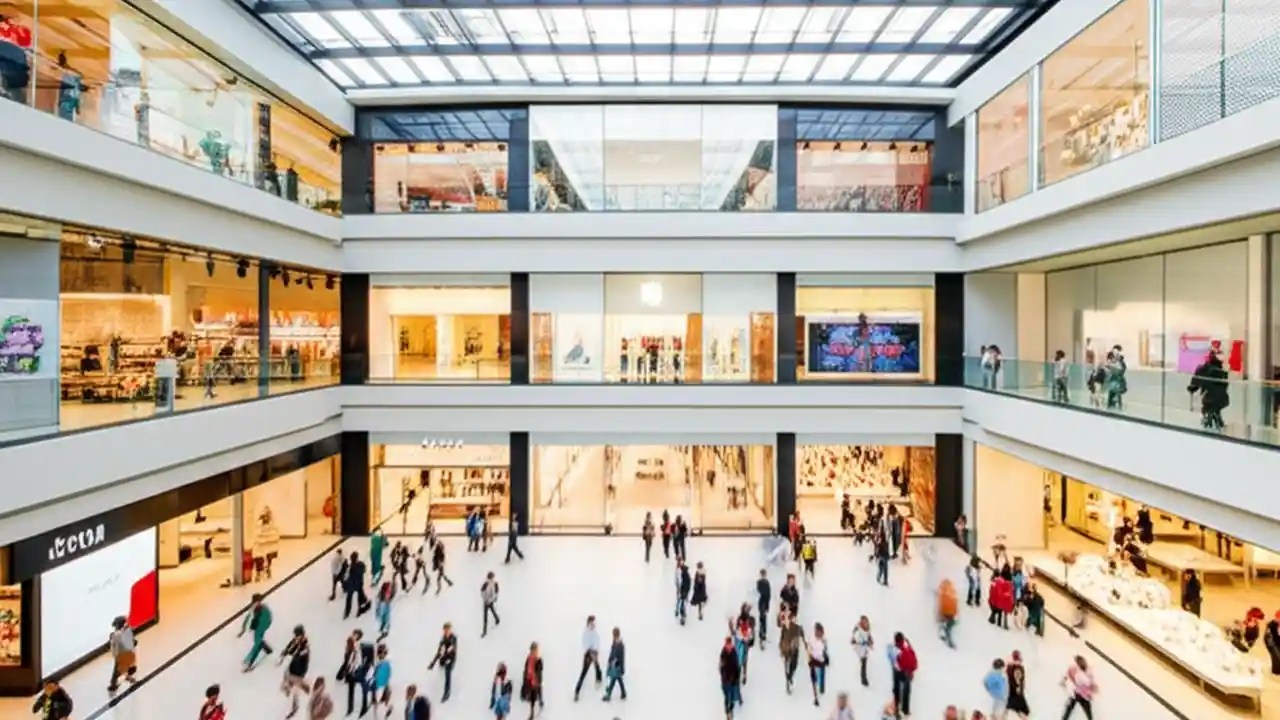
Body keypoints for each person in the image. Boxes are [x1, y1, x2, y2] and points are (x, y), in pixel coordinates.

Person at [1189, 351, 1229, 430]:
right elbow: (1224, 385)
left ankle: (1210, 419)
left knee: (1209, 408)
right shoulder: (1222, 371)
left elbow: (1195, 384)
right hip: (1222, 399)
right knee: (1214, 408)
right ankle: (1215, 420)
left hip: (1210, 398)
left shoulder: (1203, 369)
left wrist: (1192, 388)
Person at [279, 625, 312, 718]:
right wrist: (285, 651)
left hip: (300, 669)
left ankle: (295, 706)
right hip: (293, 666)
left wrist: (289, 652)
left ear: (302, 635)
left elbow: (298, 654)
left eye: (297, 635)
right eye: (295, 635)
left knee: (295, 689)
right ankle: (289, 687)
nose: (295, 637)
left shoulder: (305, 646)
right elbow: (289, 646)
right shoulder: (295, 640)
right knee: (286, 675)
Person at [338, 630, 371, 717]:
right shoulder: (350, 647)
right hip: (351, 672)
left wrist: (353, 669)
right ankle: (350, 708)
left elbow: (357, 661)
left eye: (355, 635)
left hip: (356, 671)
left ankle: (362, 707)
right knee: (351, 690)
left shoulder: (357, 648)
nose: (353, 636)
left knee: (362, 687)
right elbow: (347, 660)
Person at [239, 592, 274, 671]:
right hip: (260, 625)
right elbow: (249, 617)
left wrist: (245, 629)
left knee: (257, 644)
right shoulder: (258, 607)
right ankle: (266, 648)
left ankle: (249, 662)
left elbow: (251, 618)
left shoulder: (261, 608)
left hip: (261, 626)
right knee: (258, 641)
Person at [573, 615, 602, 701]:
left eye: (594, 622)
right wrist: (590, 651)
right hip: (589, 654)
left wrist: (596, 652)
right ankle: (577, 692)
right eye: (592, 622)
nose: (593, 624)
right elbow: (585, 644)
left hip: (594, 653)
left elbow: (597, 642)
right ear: (588, 623)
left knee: (598, 668)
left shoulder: (595, 632)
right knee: (584, 673)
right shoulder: (586, 633)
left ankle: (598, 681)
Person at [887, 632, 916, 718]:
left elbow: (892, 659)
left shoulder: (896, 649)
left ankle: (897, 709)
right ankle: (905, 710)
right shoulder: (907, 644)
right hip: (908, 672)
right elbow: (913, 655)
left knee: (897, 690)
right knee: (906, 691)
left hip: (899, 671)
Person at [428, 622, 458, 701]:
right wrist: (432, 663)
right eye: (445, 631)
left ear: (450, 630)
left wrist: (446, 652)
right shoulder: (443, 639)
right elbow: (439, 651)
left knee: (447, 671)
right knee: (441, 660)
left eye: (447, 630)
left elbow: (452, 648)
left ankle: (447, 692)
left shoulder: (453, 638)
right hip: (445, 657)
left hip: (451, 658)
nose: (446, 632)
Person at [107, 615, 137, 693]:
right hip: (128, 656)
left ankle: (113, 685)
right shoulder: (127, 632)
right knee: (126, 668)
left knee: (116, 673)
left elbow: (113, 646)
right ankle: (128, 677)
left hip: (121, 656)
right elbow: (134, 642)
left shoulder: (115, 635)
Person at [779, 607, 804, 694]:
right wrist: (781, 647)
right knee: (787, 665)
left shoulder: (798, 628)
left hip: (794, 649)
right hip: (787, 648)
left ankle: (790, 677)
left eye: (794, 618)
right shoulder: (785, 627)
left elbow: (802, 636)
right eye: (792, 618)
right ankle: (788, 680)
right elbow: (782, 637)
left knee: (794, 665)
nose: (793, 619)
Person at [730, 603, 756, 685]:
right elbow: (737, 629)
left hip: (746, 641)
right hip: (739, 640)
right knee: (738, 658)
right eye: (745, 609)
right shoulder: (740, 618)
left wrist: (751, 638)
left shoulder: (751, 619)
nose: (746, 610)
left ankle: (744, 674)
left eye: (747, 609)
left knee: (744, 658)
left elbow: (752, 630)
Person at [719, 635, 742, 718]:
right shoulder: (723, 654)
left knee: (732, 697)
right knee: (726, 697)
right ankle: (727, 712)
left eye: (730, 645)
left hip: (733, 680)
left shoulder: (734, 653)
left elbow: (737, 666)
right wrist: (725, 677)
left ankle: (730, 711)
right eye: (727, 645)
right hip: (725, 681)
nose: (728, 647)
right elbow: (721, 668)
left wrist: (736, 677)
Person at [344, 551, 371, 619]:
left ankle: (347, 613)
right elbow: (364, 570)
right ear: (357, 558)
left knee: (349, 598)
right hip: (359, 584)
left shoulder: (349, 567)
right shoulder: (360, 564)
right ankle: (360, 610)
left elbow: (345, 577)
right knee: (360, 597)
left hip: (351, 585)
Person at [520, 642, 544, 719]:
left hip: (535, 681)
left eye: (536, 650)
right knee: (532, 696)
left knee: (537, 691)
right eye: (535, 650)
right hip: (531, 680)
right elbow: (527, 670)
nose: (536, 651)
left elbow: (539, 671)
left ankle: (539, 703)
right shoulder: (530, 658)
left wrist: (538, 680)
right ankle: (532, 713)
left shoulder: (537, 659)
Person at [807, 622, 829, 706]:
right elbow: (809, 648)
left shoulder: (824, 640)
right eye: (817, 631)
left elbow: (824, 650)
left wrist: (825, 657)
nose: (818, 633)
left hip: (821, 661)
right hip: (813, 660)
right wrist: (810, 655)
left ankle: (820, 689)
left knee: (821, 678)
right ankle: (815, 697)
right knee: (814, 678)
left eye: (820, 632)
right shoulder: (811, 639)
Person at [603, 627, 627, 701]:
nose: (614, 636)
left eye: (615, 634)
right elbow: (612, 653)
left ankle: (609, 695)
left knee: (613, 680)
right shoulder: (614, 643)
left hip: (617, 666)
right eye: (613, 634)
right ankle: (623, 693)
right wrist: (609, 661)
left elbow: (620, 657)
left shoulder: (620, 645)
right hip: (614, 665)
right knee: (619, 679)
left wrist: (615, 663)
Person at [1006, 650, 1031, 718]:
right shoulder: (1018, 668)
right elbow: (1017, 680)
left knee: (1016, 711)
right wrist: (1019, 688)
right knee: (1025, 712)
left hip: (1011, 692)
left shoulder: (1009, 667)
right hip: (1017, 694)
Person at [851, 615, 873, 687]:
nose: (865, 623)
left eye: (866, 621)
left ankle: (864, 679)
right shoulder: (858, 629)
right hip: (859, 649)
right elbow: (855, 640)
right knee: (863, 663)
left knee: (864, 663)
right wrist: (862, 642)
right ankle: (863, 680)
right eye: (864, 621)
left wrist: (870, 642)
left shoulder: (867, 629)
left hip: (865, 649)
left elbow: (869, 637)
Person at [371, 643, 392, 720]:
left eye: (382, 652)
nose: (379, 654)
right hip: (379, 686)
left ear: (385, 654)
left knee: (380, 704)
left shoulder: (385, 663)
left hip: (382, 686)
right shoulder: (378, 662)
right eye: (378, 652)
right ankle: (384, 712)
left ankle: (387, 709)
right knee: (376, 705)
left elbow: (387, 675)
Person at [938, 577, 958, 649]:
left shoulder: (943, 594)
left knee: (947, 625)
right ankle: (949, 641)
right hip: (951, 613)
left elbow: (942, 604)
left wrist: (941, 614)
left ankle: (943, 633)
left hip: (946, 613)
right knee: (949, 627)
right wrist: (956, 613)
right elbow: (955, 603)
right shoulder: (952, 592)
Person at [481, 571, 501, 637]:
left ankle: (497, 619)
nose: (491, 579)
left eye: (492, 578)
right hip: (486, 601)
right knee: (485, 616)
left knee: (493, 611)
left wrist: (494, 598)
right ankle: (484, 631)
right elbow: (482, 592)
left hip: (490, 601)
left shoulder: (495, 584)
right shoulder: (486, 584)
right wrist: (485, 599)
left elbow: (496, 592)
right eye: (490, 578)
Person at [755, 569, 771, 647]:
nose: (763, 575)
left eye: (764, 574)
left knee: (764, 619)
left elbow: (769, 594)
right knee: (762, 619)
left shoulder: (767, 582)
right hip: (761, 602)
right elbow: (759, 592)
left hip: (765, 602)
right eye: (762, 574)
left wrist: (768, 605)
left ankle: (764, 635)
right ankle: (761, 635)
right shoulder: (759, 582)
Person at [675, 558, 692, 625]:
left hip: (683, 591)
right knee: (681, 602)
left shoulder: (685, 575)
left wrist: (684, 592)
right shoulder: (685, 575)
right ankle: (678, 611)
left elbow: (685, 584)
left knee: (681, 602)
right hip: (683, 591)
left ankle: (679, 613)